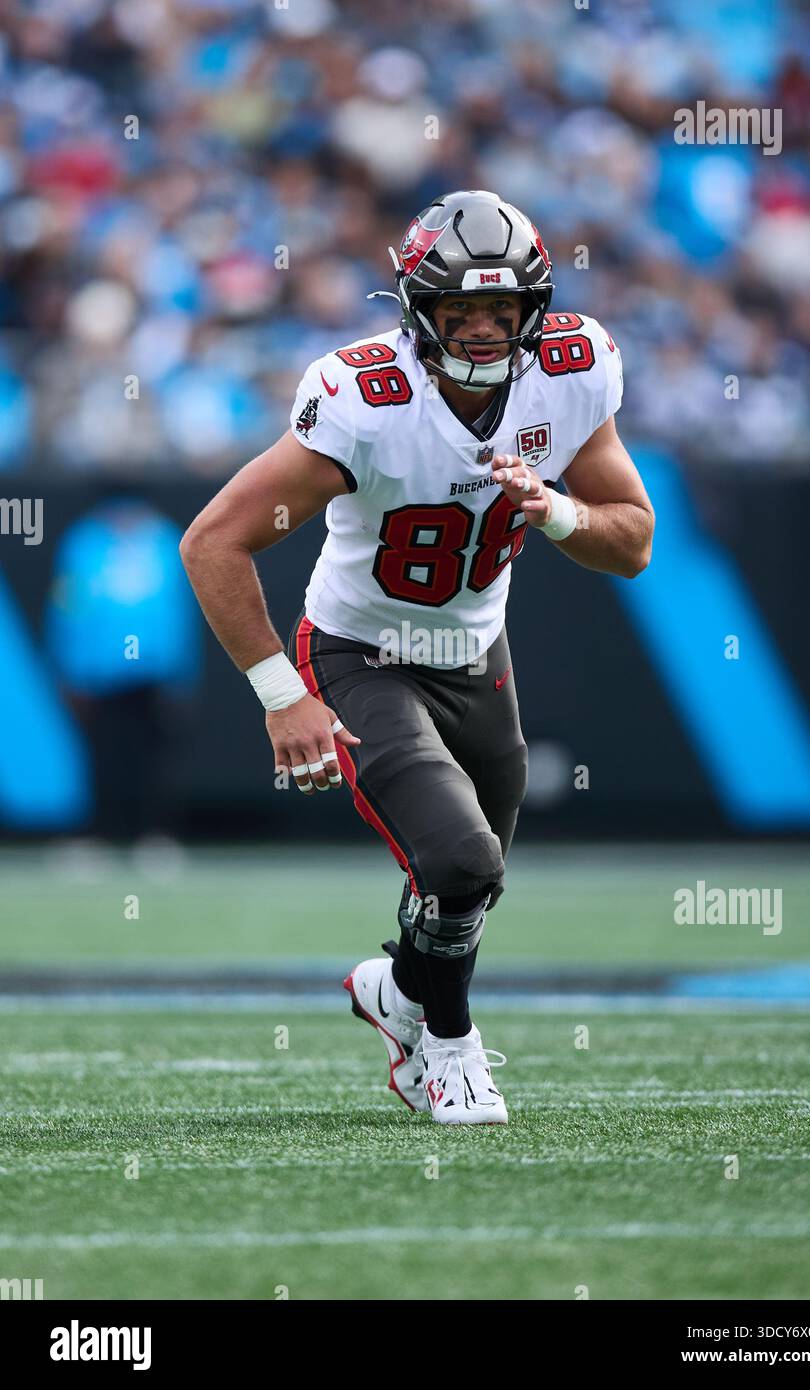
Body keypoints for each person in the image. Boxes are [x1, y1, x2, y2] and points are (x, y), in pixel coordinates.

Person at [180, 189, 654, 1124]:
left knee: (466, 884)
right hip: (362, 651)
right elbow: (213, 541)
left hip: (477, 654)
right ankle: (446, 1050)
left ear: (534, 310)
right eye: (460, 311)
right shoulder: (367, 397)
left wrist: (553, 509)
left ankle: (398, 991)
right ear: (419, 309)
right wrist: (282, 694)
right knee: (463, 858)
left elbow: (631, 540)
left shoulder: (573, 371)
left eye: (501, 310)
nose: (482, 331)